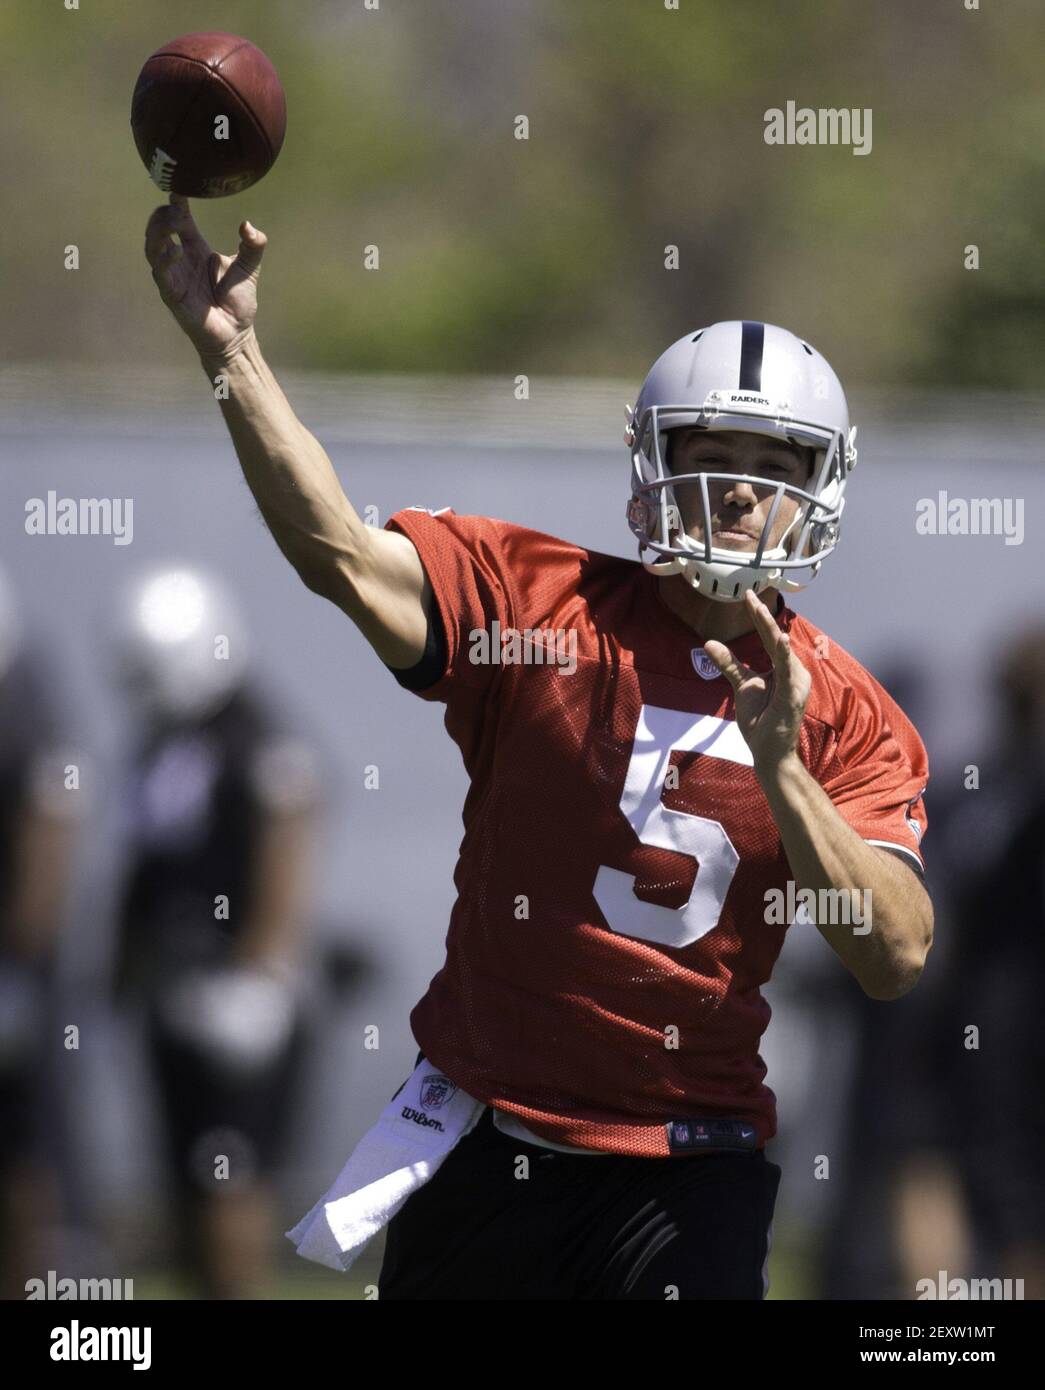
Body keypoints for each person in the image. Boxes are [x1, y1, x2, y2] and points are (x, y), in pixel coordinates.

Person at [143, 195, 933, 1300]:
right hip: (488, 1135)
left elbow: (892, 955)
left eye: (774, 462)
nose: (741, 489)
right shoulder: (537, 605)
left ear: (820, 487)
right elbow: (337, 550)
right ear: (652, 461)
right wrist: (234, 357)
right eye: (712, 451)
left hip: (683, 1162)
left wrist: (783, 770)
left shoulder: (844, 710)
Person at [109, 566, 319, 1299]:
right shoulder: (163, 748)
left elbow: (287, 836)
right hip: (175, 990)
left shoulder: (254, 737)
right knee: (182, 1179)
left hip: (239, 1002)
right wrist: (123, 968)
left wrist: (259, 970)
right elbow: (144, 866)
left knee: (228, 1170)